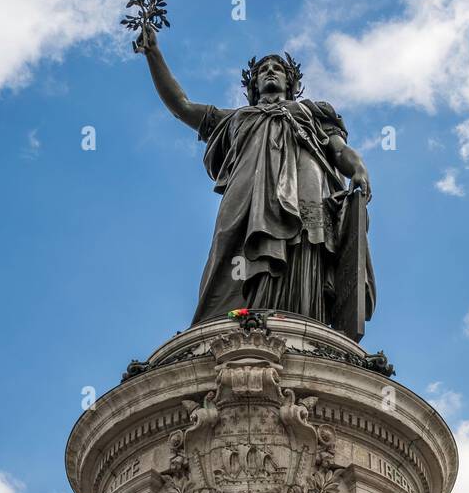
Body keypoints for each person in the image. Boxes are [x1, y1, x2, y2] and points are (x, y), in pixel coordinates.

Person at [138, 28, 375, 329]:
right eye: (263, 70)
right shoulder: (234, 118)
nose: (270, 72)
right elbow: (181, 106)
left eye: (277, 68)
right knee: (232, 246)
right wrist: (153, 53)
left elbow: (338, 149)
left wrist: (358, 168)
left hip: (306, 180)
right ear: (254, 84)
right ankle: (235, 320)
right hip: (247, 192)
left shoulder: (311, 112)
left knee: (303, 242)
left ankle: (299, 320)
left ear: (291, 82)